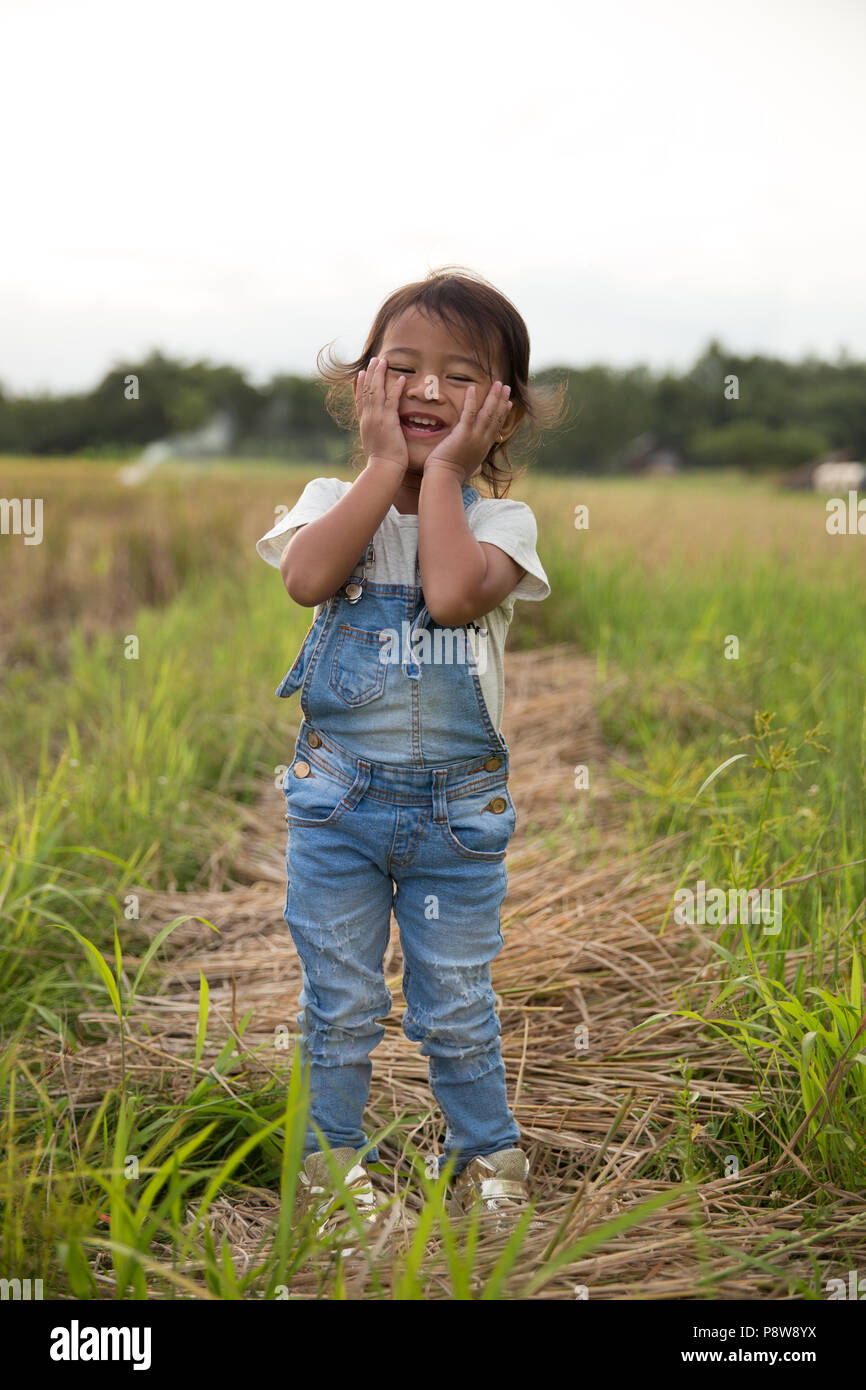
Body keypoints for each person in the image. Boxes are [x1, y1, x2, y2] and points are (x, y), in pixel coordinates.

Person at [255, 266, 564, 1239]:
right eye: (405, 368)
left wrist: (436, 476)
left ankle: (487, 1152)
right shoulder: (323, 502)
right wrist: (383, 470)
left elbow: (449, 591)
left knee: (453, 1002)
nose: (428, 390)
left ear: (501, 415)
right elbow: (309, 578)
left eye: (461, 376)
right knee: (339, 998)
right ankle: (327, 1160)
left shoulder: (499, 525)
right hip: (338, 809)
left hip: (452, 820)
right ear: (362, 387)